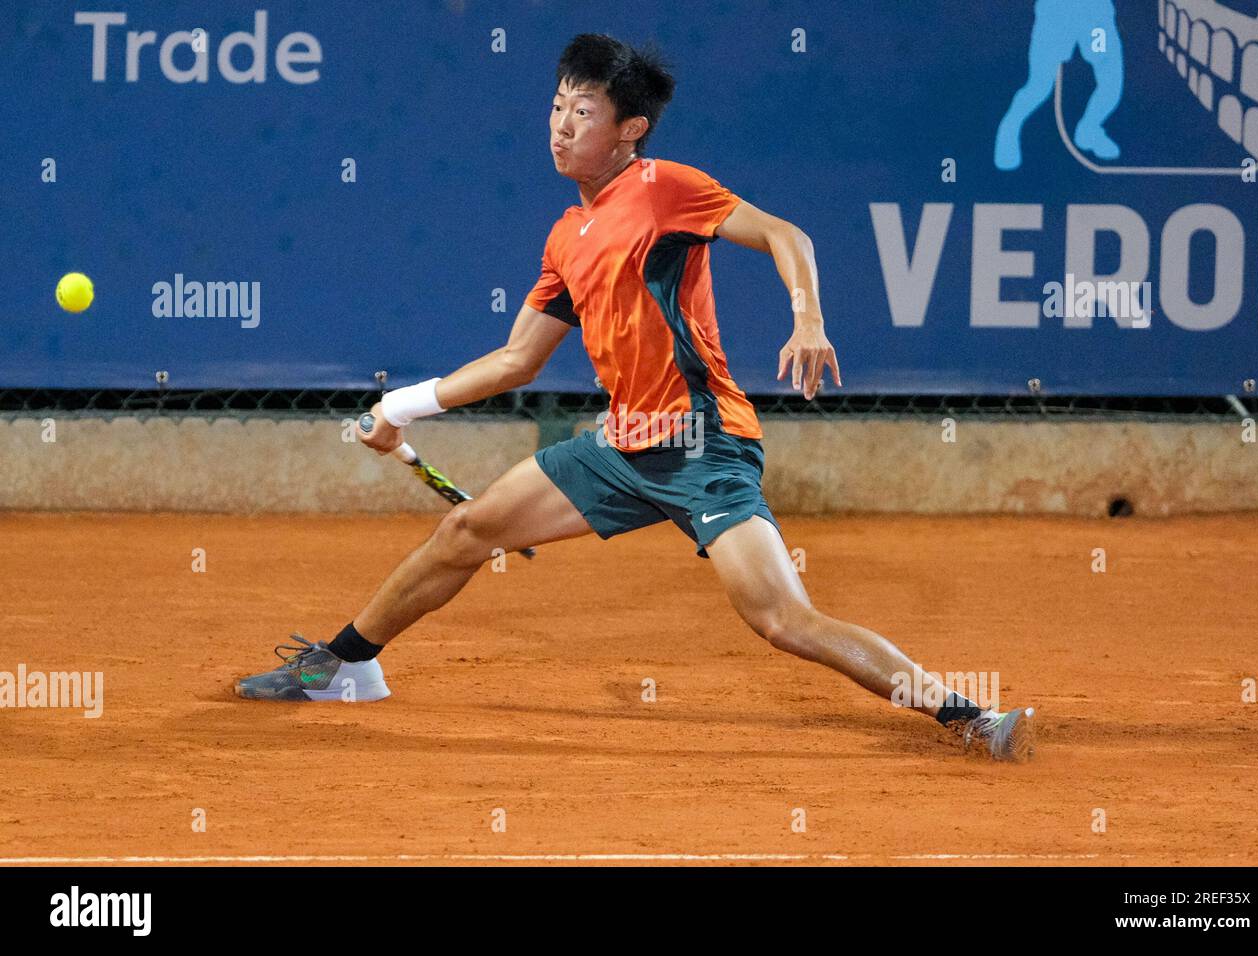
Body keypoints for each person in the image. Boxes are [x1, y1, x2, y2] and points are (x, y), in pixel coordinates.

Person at [236, 34, 1034, 761]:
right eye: (556, 107)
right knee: (467, 529)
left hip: (701, 443)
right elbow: (517, 360)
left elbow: (790, 236)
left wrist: (809, 317)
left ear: (630, 129)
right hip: (619, 446)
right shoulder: (565, 235)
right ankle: (346, 665)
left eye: (583, 113)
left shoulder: (666, 192)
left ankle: (968, 715)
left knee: (783, 621)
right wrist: (399, 408)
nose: (560, 126)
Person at [995, 0, 1124, 170]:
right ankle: (1009, 130)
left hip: (1094, 17)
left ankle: (1089, 129)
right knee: (1039, 86)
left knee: (1111, 81)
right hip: (1057, 14)